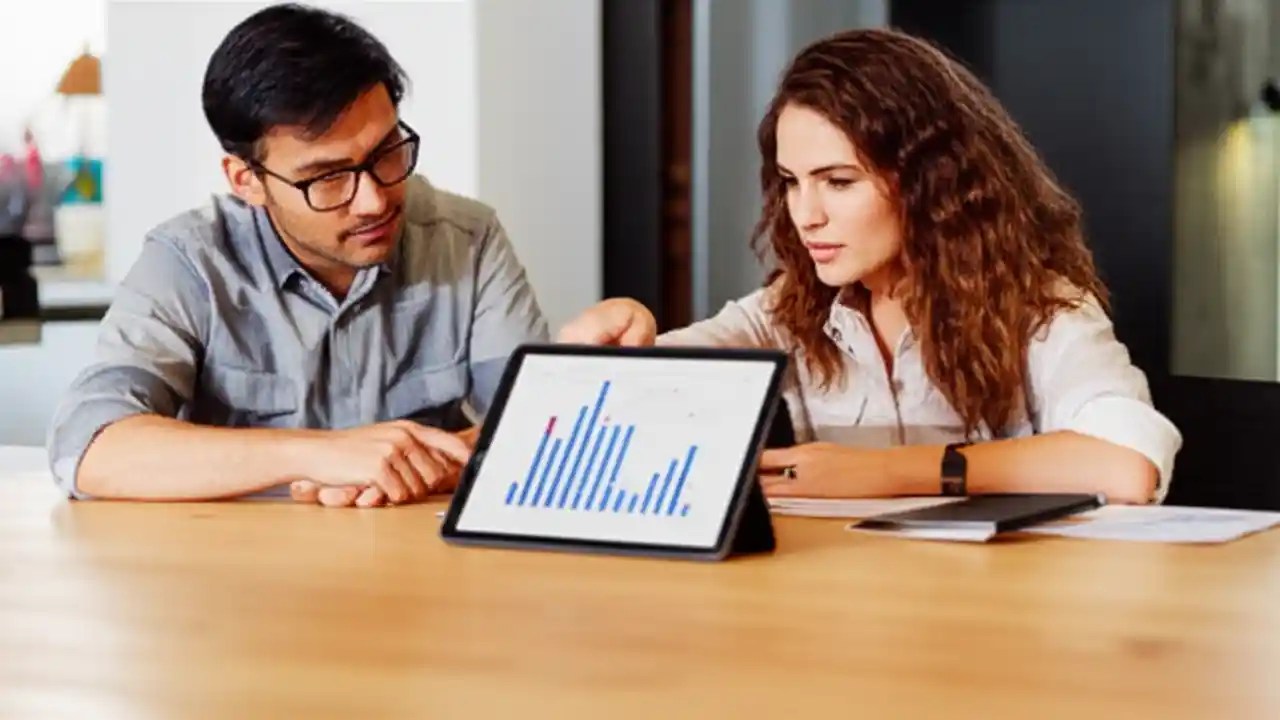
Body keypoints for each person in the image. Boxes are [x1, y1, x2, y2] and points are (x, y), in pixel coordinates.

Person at [46, 3, 641, 508]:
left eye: (386, 152)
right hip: (236, 592)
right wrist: (324, 454)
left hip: (423, 584)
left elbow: (537, 433)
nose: (373, 199)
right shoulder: (190, 262)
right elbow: (90, 445)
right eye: (326, 178)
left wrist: (421, 461)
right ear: (245, 179)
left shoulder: (468, 239)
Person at [559, 28, 1181, 504]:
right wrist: (616, 340)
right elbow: (631, 393)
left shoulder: (1043, 308)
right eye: (790, 183)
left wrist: (880, 472)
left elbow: (1127, 462)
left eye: (837, 181)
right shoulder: (791, 309)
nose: (806, 216)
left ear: (928, 183)